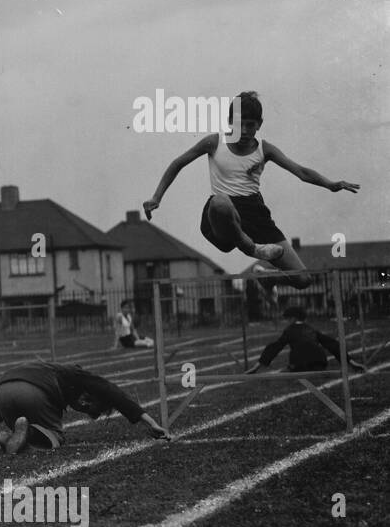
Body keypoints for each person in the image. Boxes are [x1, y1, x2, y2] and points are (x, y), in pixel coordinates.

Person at [143, 91, 358, 294]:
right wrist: (157, 196)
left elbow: (300, 171)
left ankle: (268, 278)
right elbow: (178, 163)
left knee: (303, 280)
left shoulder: (265, 149)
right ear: (230, 122)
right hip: (222, 217)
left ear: (259, 125)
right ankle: (253, 249)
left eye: (250, 125)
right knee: (219, 201)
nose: (245, 131)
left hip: (255, 214)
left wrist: (330, 184)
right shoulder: (215, 142)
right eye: (239, 125)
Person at [0, 361, 169, 453]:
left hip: (0, 393)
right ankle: (28, 434)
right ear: (89, 396)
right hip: (34, 391)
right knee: (57, 436)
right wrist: (150, 422)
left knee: (25, 421)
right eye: (88, 407)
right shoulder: (76, 374)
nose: (83, 408)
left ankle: (14, 438)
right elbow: (114, 392)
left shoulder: (48, 368)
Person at [246, 306, 364, 374]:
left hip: (299, 363)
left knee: (286, 373)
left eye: (287, 319)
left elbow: (275, 347)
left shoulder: (289, 330)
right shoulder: (311, 329)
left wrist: (257, 366)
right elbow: (332, 344)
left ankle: (291, 368)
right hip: (320, 362)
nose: (286, 322)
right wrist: (350, 361)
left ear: (292, 318)